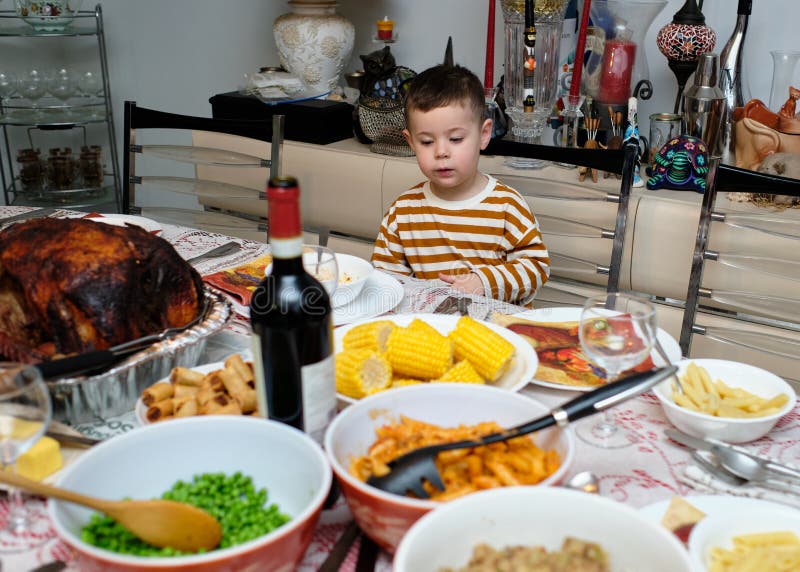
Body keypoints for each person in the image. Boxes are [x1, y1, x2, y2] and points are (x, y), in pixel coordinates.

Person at [371, 64, 550, 306]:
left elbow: (536, 268)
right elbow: (385, 283)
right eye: (426, 142)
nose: (441, 152)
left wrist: (483, 282)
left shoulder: (507, 206)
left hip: (497, 331)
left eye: (455, 139)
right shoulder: (402, 213)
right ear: (410, 142)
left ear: (484, 135)